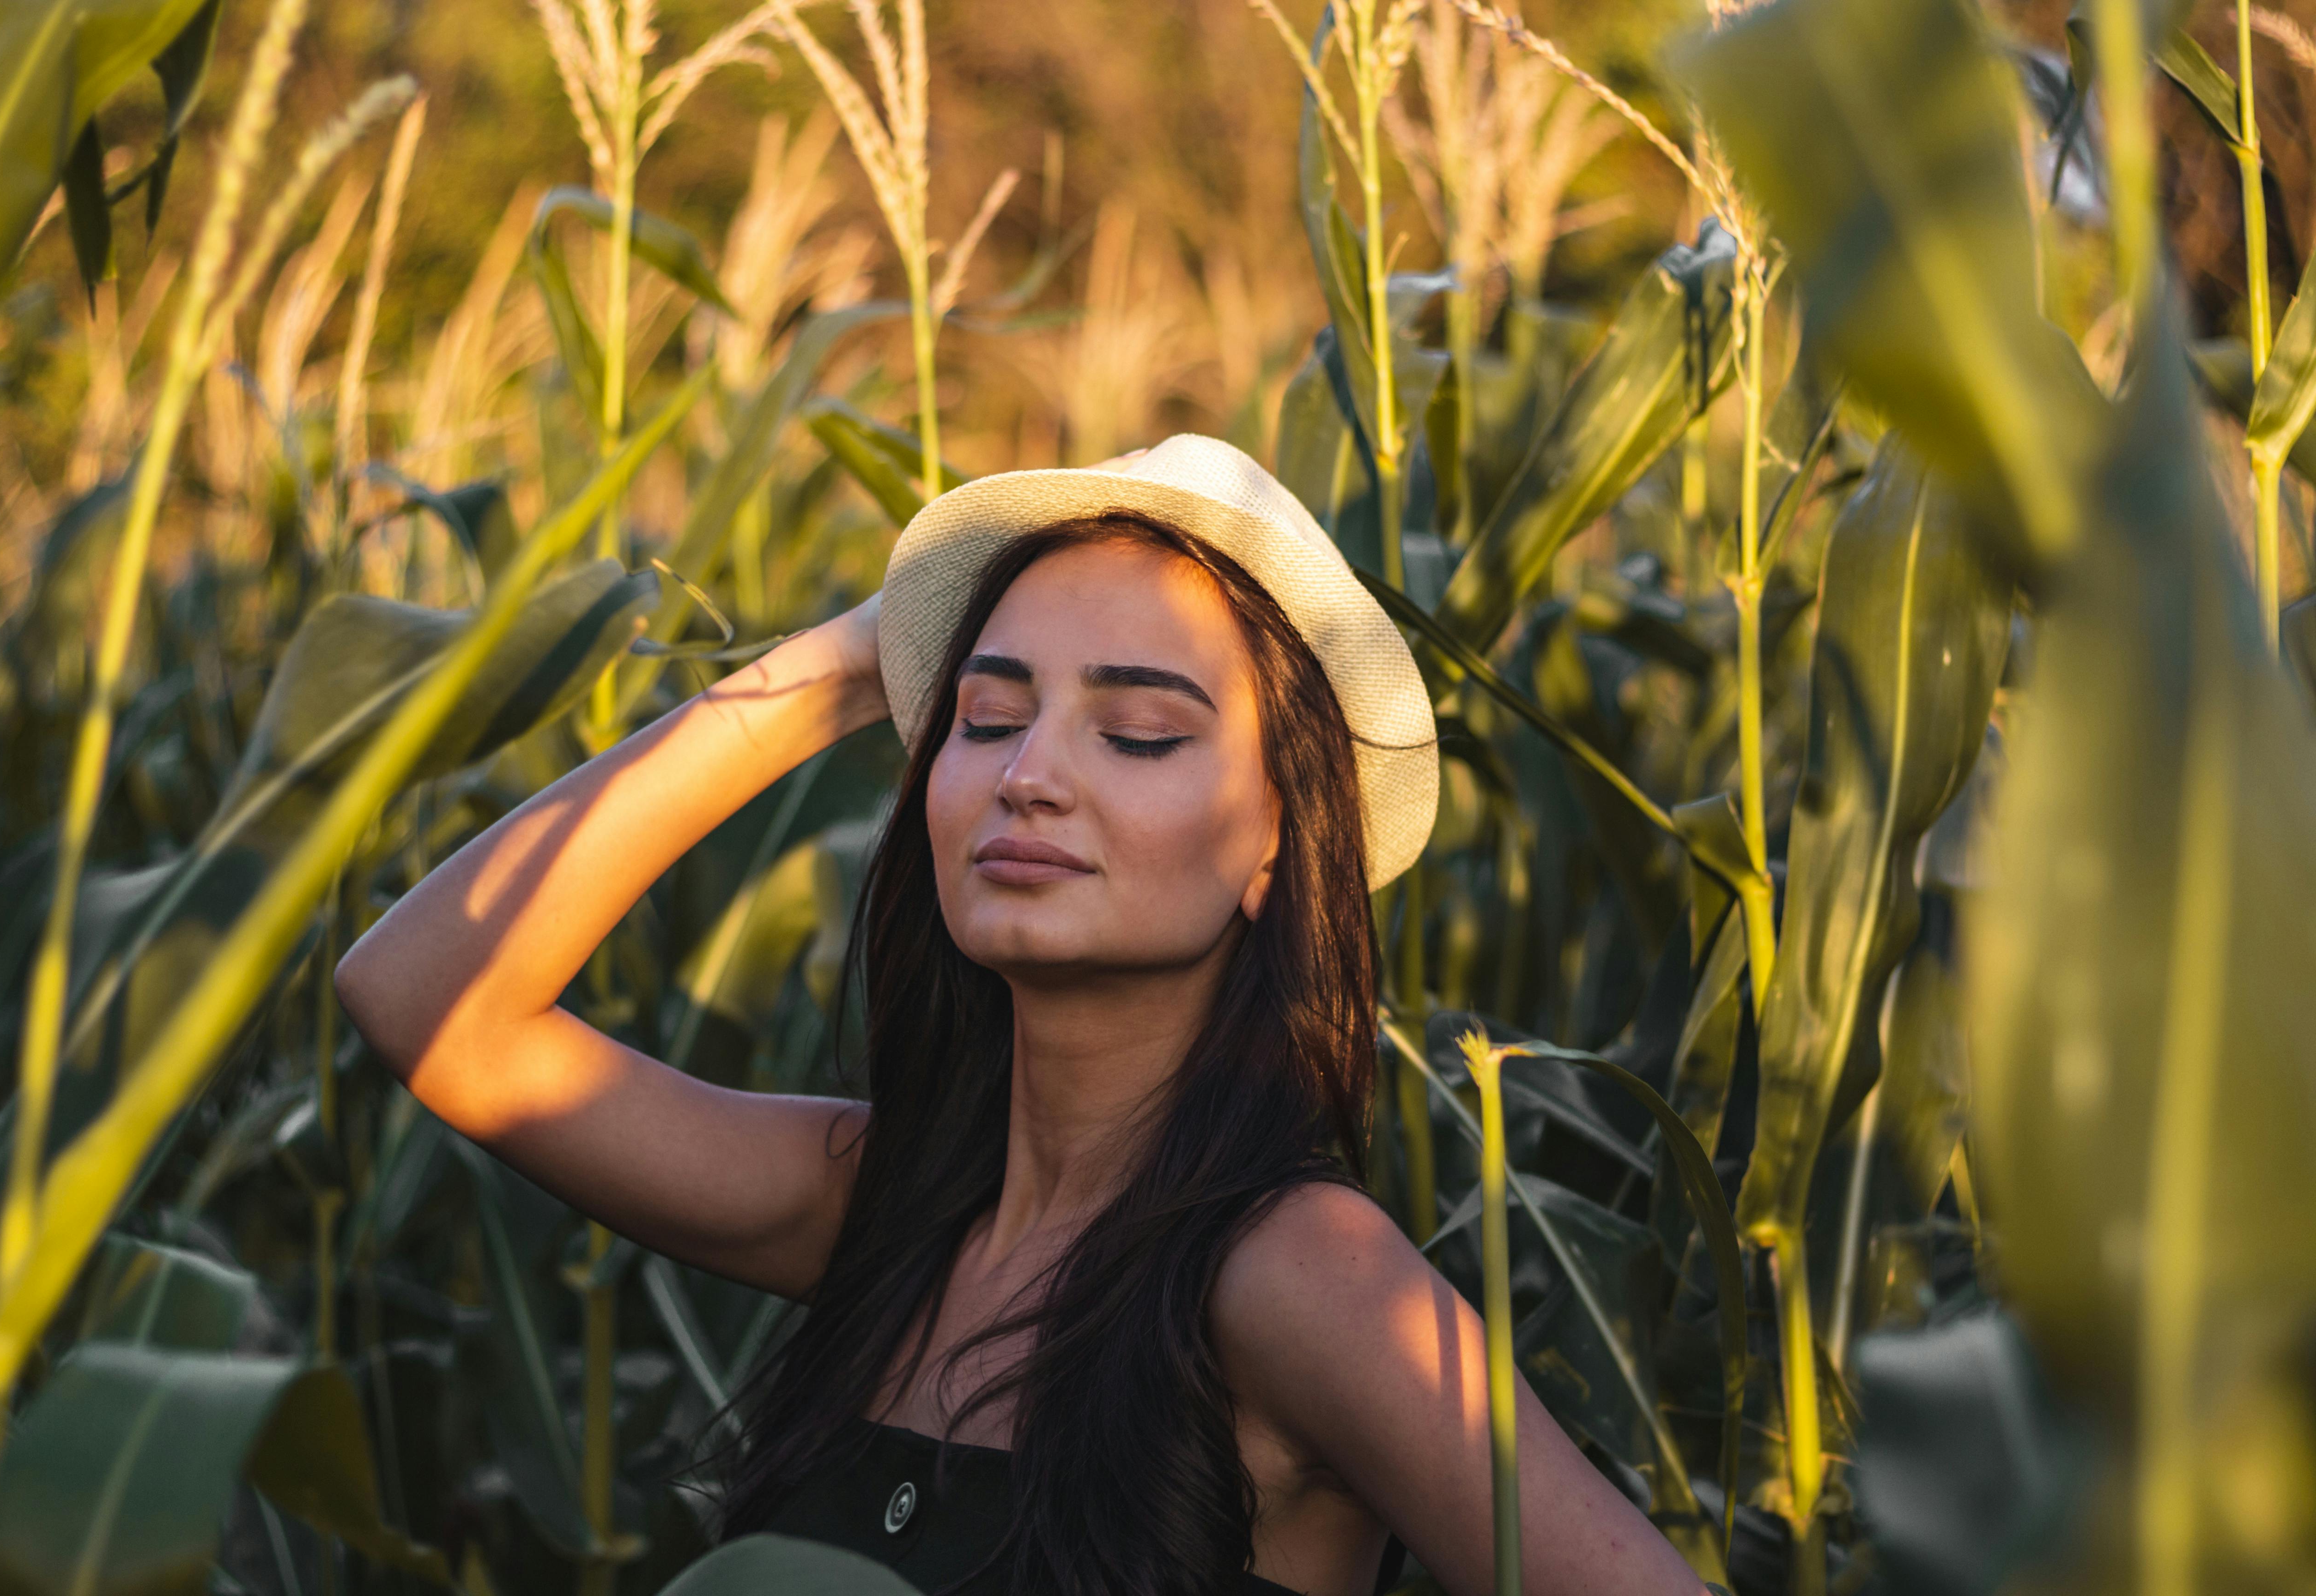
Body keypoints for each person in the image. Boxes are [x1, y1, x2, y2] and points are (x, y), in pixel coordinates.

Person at [336, 435, 1707, 1596]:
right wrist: (863, 658)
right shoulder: (886, 1207)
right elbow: (429, 1002)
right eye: (986, 717)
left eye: (1141, 734)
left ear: (1279, 847)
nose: (1030, 775)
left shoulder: (1297, 1277)